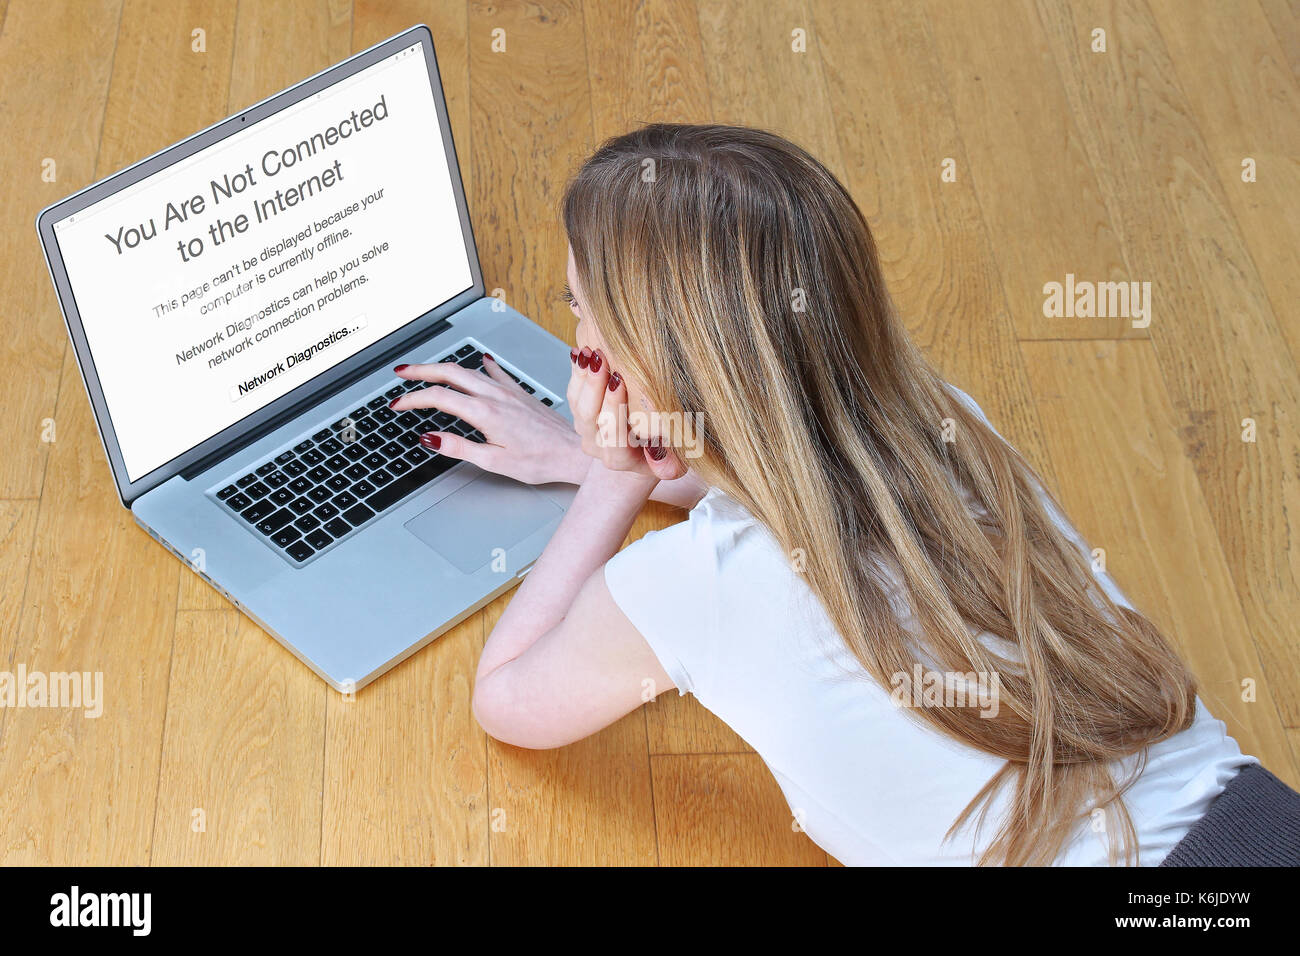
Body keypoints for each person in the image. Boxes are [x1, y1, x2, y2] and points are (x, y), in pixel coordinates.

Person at [390, 124, 1298, 866]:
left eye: (583, 315)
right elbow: (801, 480)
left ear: (656, 372)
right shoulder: (951, 430)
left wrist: (618, 477)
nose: (574, 334)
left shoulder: (694, 586)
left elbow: (507, 702)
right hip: (1254, 836)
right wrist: (578, 453)